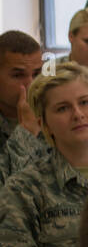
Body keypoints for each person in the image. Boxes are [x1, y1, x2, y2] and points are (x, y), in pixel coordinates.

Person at [0, 62, 88, 247]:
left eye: (85, 102)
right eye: (62, 108)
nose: (77, 114)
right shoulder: (24, 190)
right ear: (45, 125)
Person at [0, 31, 48, 185]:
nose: (31, 84)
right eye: (17, 75)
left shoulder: (52, 115)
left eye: (36, 74)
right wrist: (26, 132)